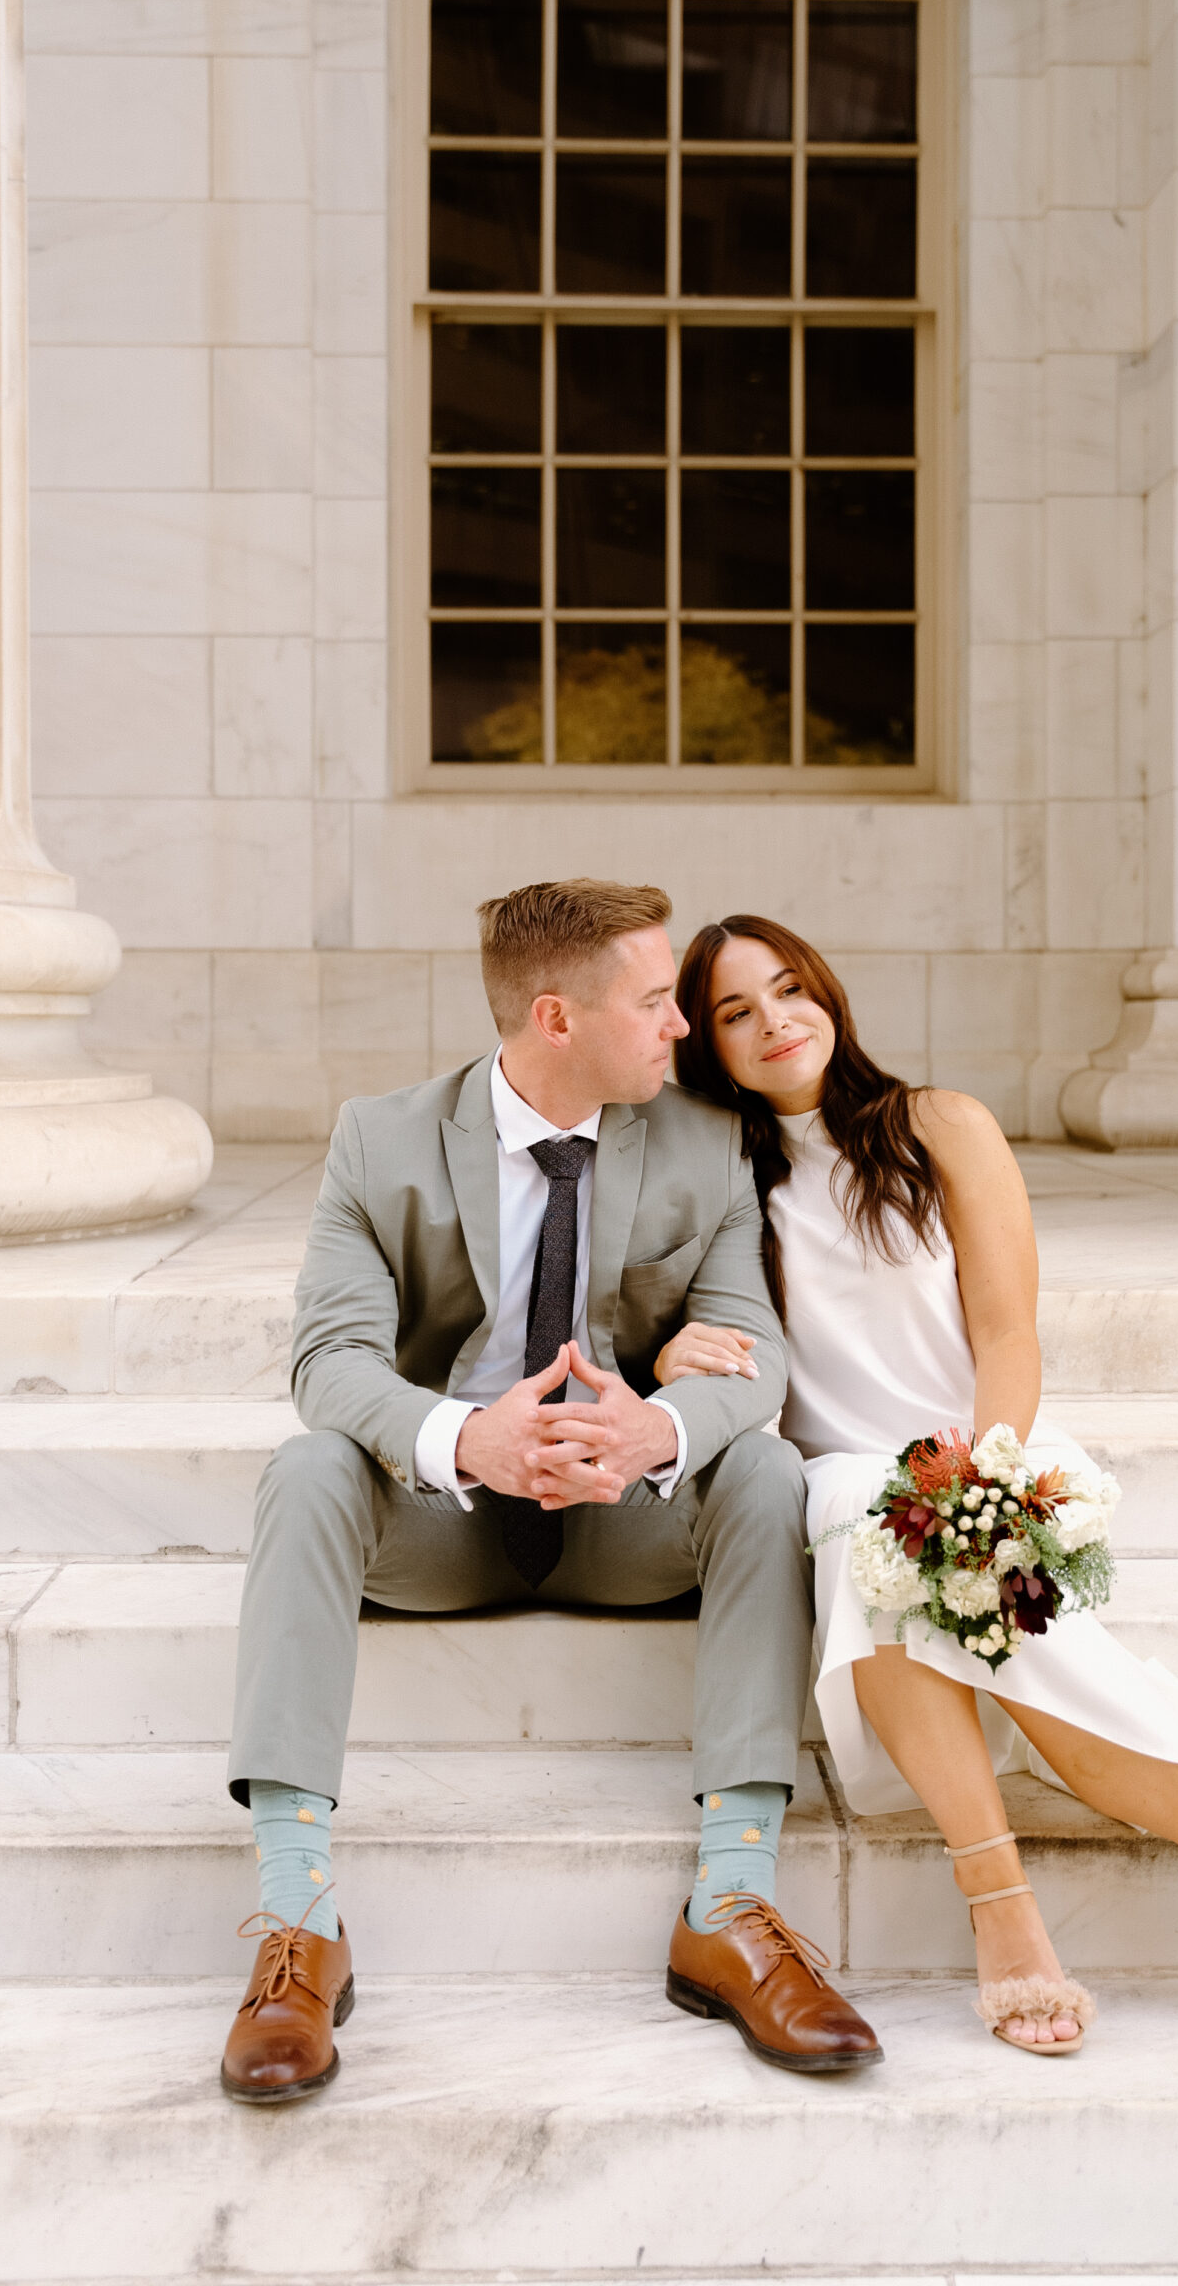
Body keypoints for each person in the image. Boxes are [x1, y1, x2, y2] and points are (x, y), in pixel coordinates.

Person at [661, 912, 1178, 2062]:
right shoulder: (718, 1176)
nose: (775, 1020)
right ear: (710, 1046)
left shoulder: (939, 1125)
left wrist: (981, 1479)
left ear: (826, 992)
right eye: (736, 1011)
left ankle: (1048, 1905)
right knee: (869, 1525)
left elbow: (1007, 1330)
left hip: (985, 1451)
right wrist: (673, 1349)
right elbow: (668, 1316)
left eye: (789, 989)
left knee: (964, 1599)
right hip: (838, 1475)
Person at [220, 879, 881, 2102]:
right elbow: (330, 1363)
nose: (682, 1024)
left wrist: (654, 1425)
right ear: (556, 1017)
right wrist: (468, 1439)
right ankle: (296, 1922)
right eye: (655, 1001)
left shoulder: (702, 1141)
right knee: (307, 1467)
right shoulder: (382, 1138)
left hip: (626, 1523)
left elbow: (758, 1354)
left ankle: (732, 1905)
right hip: (444, 1520)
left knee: (763, 1467)